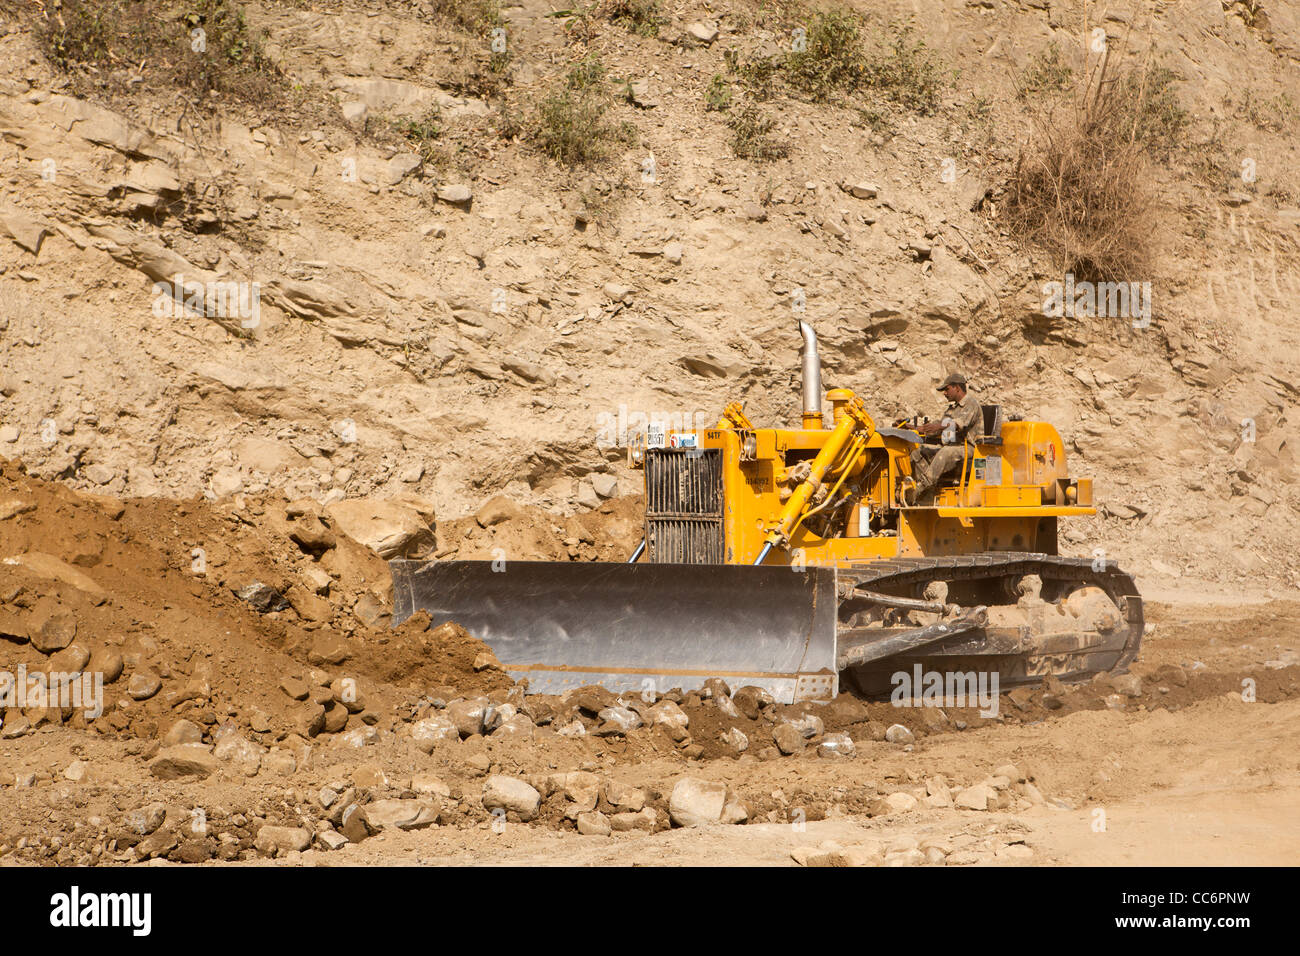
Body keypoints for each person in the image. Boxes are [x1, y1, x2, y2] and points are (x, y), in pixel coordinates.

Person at [909, 373, 982, 500]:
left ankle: (921, 487)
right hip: (952, 446)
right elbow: (938, 429)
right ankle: (929, 489)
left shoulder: (971, 404)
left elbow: (958, 425)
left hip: (970, 448)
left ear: (957, 388)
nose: (944, 393)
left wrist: (939, 426)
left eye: (947, 389)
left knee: (946, 452)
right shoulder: (951, 409)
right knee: (917, 451)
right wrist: (914, 428)